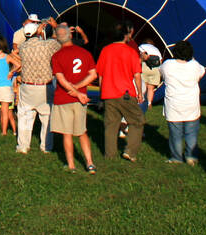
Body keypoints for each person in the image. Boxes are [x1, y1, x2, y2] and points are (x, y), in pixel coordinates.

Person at [50, 23, 97, 173]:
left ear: (57, 38)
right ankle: (90, 163)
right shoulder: (85, 53)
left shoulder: (57, 56)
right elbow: (93, 75)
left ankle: (71, 165)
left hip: (64, 98)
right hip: (80, 99)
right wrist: (78, 89)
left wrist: (74, 90)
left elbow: (61, 79)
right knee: (82, 132)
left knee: (67, 133)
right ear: (71, 35)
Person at [96, 23, 144, 161]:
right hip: (126, 92)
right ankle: (130, 151)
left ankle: (109, 155)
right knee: (137, 121)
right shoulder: (131, 52)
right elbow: (137, 74)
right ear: (125, 35)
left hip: (108, 92)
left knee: (111, 125)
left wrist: (101, 93)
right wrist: (140, 93)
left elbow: (101, 75)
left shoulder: (106, 50)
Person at [15, 21, 58, 154]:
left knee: (24, 117)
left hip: (27, 86)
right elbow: (58, 42)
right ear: (37, 32)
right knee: (47, 118)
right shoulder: (48, 45)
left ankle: (23, 146)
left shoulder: (22, 47)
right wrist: (54, 27)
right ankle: (46, 146)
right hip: (45, 86)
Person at [161, 41, 206, 164]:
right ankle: (191, 157)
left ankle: (176, 158)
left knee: (175, 135)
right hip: (191, 105)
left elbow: (161, 74)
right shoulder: (195, 66)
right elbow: (202, 71)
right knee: (191, 134)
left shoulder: (167, 65)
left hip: (174, 105)